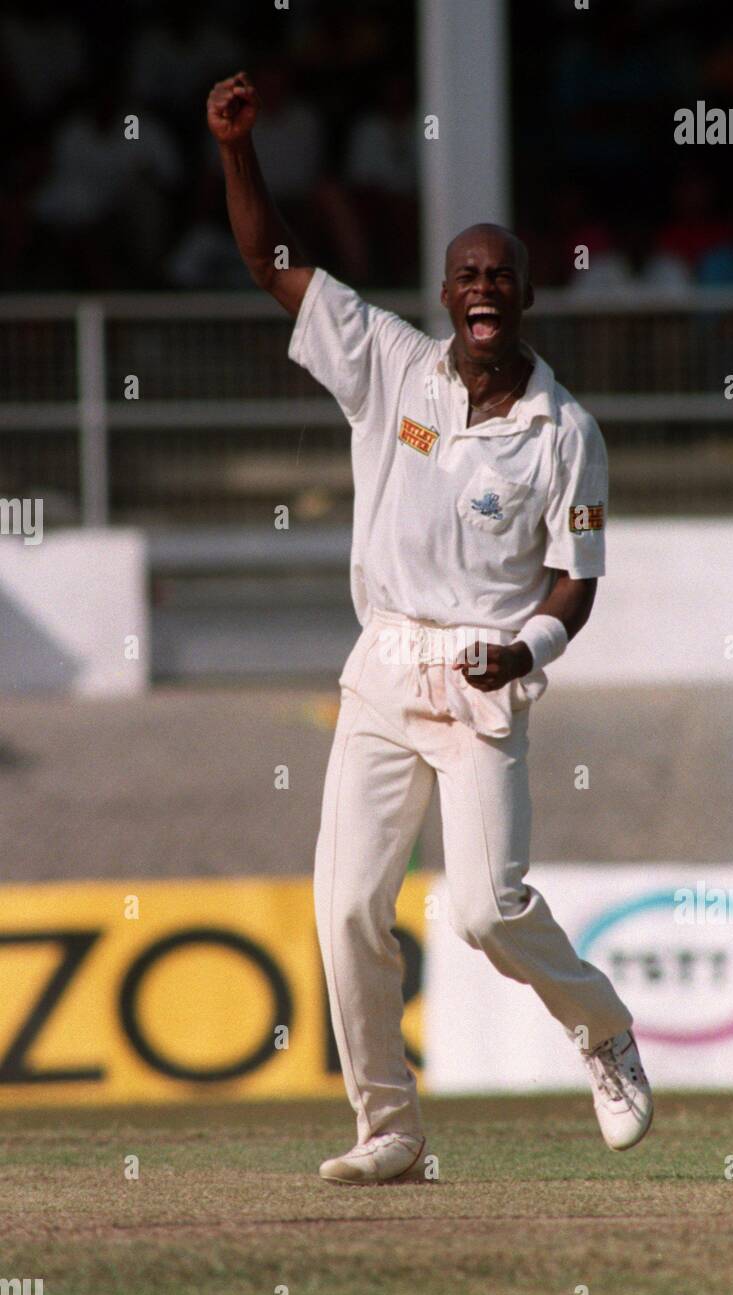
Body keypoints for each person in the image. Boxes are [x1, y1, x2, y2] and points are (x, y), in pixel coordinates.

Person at [208, 71, 653, 1185]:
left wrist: (528, 647)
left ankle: (601, 1032)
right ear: (446, 294)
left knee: (485, 912)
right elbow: (272, 263)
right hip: (382, 663)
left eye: (500, 273)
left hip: (486, 679)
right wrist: (235, 152)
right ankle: (389, 1129)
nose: (482, 287)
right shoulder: (389, 363)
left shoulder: (566, 431)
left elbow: (576, 581)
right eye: (466, 274)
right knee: (347, 903)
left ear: (526, 297)